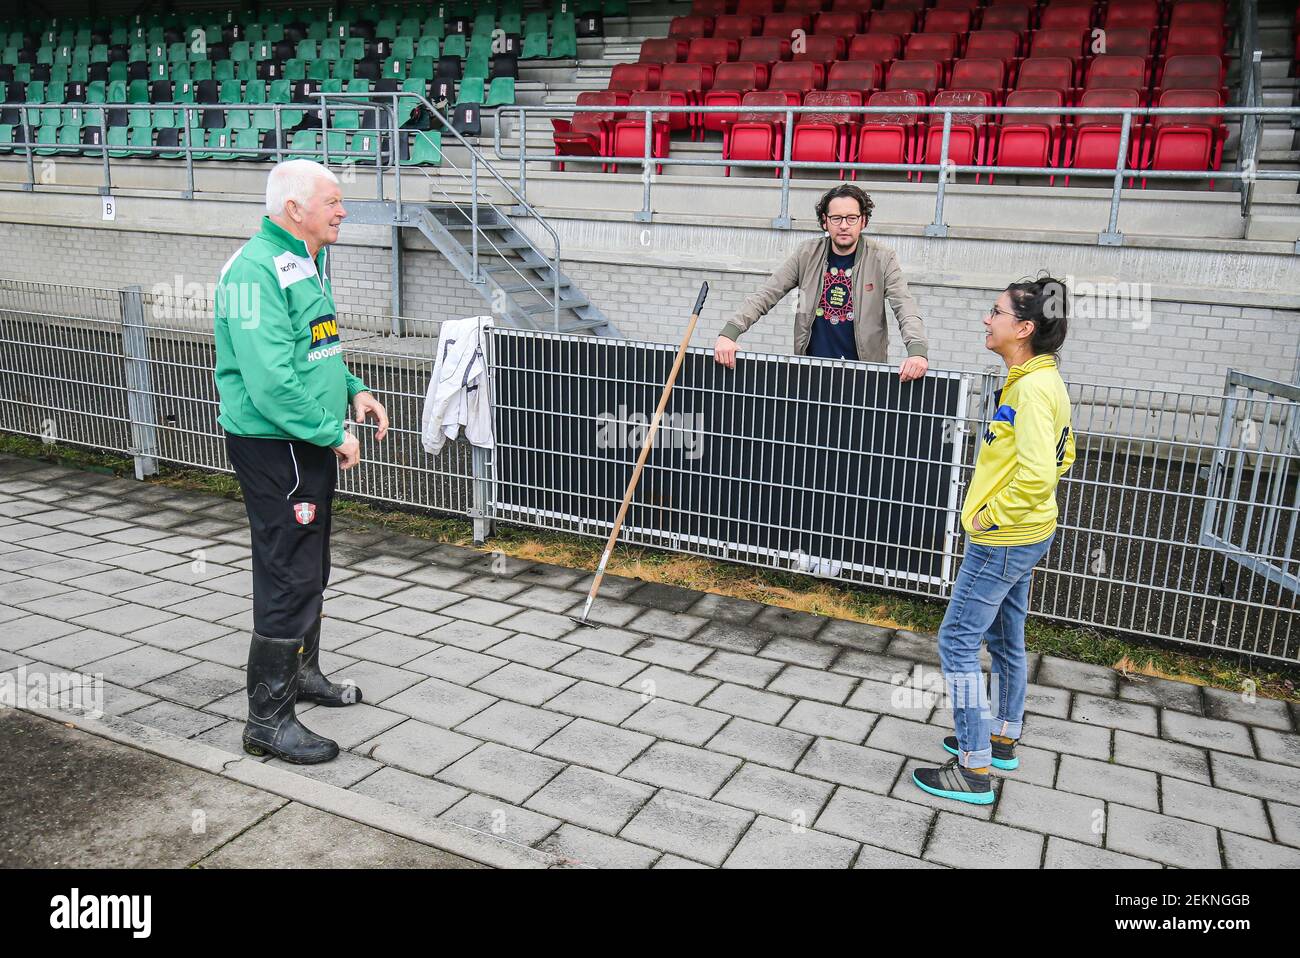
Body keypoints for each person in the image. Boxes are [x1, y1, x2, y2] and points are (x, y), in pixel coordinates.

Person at [213, 159, 389, 765]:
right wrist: (330, 434)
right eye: (334, 201)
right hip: (276, 445)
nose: (343, 211)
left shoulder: (304, 260)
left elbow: (317, 345)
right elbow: (268, 381)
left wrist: (353, 388)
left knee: (311, 562)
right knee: (289, 570)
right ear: (295, 210)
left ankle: (302, 675)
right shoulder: (255, 271)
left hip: (305, 441)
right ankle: (267, 722)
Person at [912, 274, 1076, 805]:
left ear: (1023, 328)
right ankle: (1003, 735)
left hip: (1003, 539)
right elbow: (1065, 452)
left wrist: (986, 518)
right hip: (1027, 535)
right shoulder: (1040, 378)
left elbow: (1038, 475)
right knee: (1006, 639)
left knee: (957, 642)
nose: (988, 319)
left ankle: (974, 767)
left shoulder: (1030, 389)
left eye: (996, 312)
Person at [713, 183, 929, 379]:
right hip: (811, 372)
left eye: (851, 218)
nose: (844, 225)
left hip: (863, 376)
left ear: (863, 220)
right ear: (825, 221)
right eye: (836, 218)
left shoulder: (883, 258)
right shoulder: (806, 254)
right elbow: (766, 294)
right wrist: (729, 334)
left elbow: (905, 307)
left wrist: (917, 352)